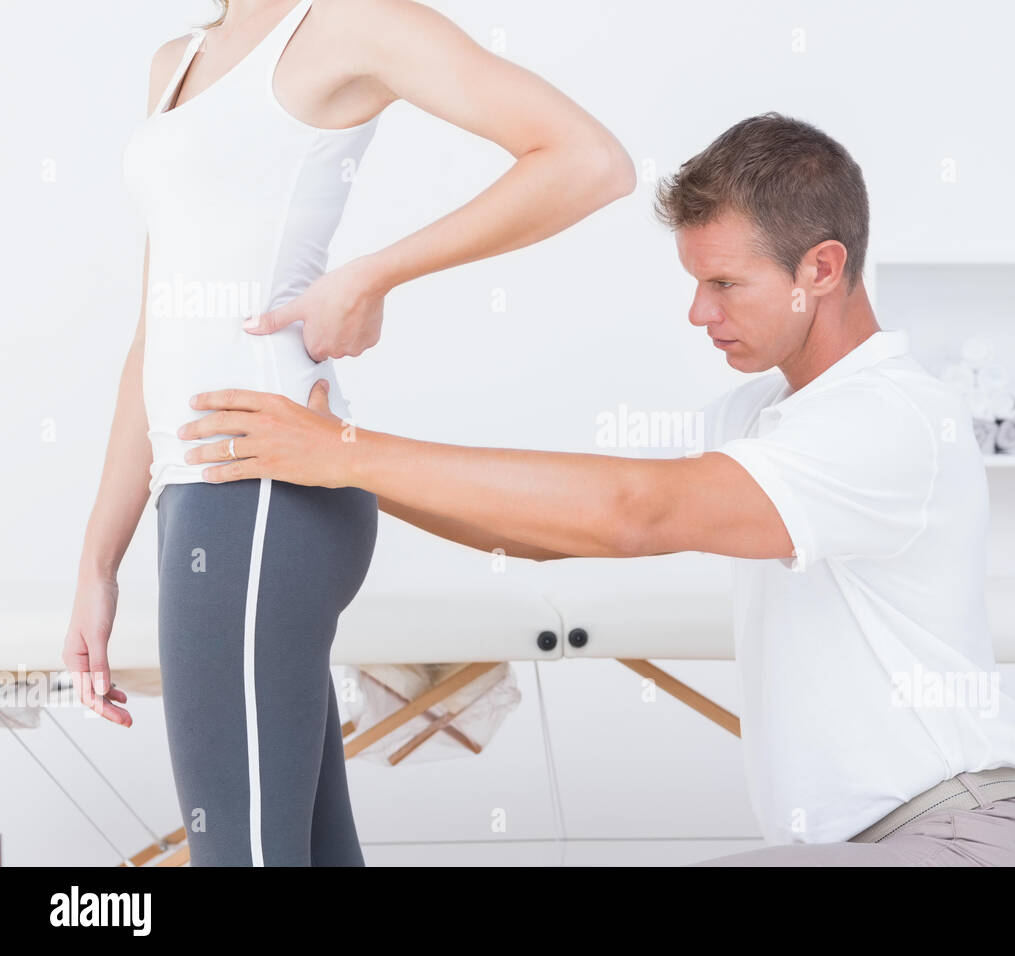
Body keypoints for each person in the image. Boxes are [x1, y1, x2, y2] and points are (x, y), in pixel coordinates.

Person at [177, 112, 1015, 866]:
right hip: (872, 844)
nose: (699, 313)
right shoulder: (761, 415)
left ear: (822, 269)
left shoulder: (888, 419)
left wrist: (347, 452)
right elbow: (555, 527)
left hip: (960, 838)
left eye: (725, 283)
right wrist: (328, 462)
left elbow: (632, 514)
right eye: (695, 283)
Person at [65, 0, 635, 866]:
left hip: (262, 491)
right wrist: (96, 565)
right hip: (202, 499)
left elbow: (590, 162)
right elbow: (154, 332)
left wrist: (375, 274)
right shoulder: (177, 60)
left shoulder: (350, 22)